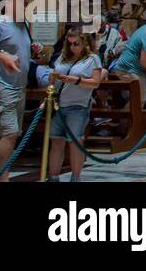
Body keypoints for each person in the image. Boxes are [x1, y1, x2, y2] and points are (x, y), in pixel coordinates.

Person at [47, 30, 103, 182]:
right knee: (56, 141)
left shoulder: (93, 59)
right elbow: (55, 72)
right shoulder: (63, 57)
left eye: (76, 43)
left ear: (84, 42)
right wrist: (52, 79)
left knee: (75, 142)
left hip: (77, 107)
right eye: (69, 43)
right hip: (58, 105)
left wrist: (76, 80)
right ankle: (53, 177)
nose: (72, 47)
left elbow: (95, 83)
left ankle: (75, 178)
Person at [0, 0, 40, 183]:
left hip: (19, 86)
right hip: (3, 86)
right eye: (23, 3)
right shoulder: (0, 24)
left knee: (11, 134)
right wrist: (1, 54)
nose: (26, 7)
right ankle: (2, 178)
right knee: (10, 133)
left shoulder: (22, 25)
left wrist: (33, 50)